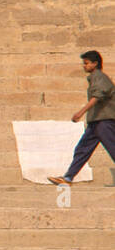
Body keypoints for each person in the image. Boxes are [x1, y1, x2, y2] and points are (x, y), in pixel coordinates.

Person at [48, 50, 114, 185]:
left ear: (95, 64)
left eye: (86, 63)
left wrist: (81, 112)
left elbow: (98, 96)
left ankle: (68, 177)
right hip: (96, 122)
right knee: (82, 149)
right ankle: (68, 178)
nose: (84, 66)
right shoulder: (95, 78)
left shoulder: (100, 77)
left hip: (104, 121)